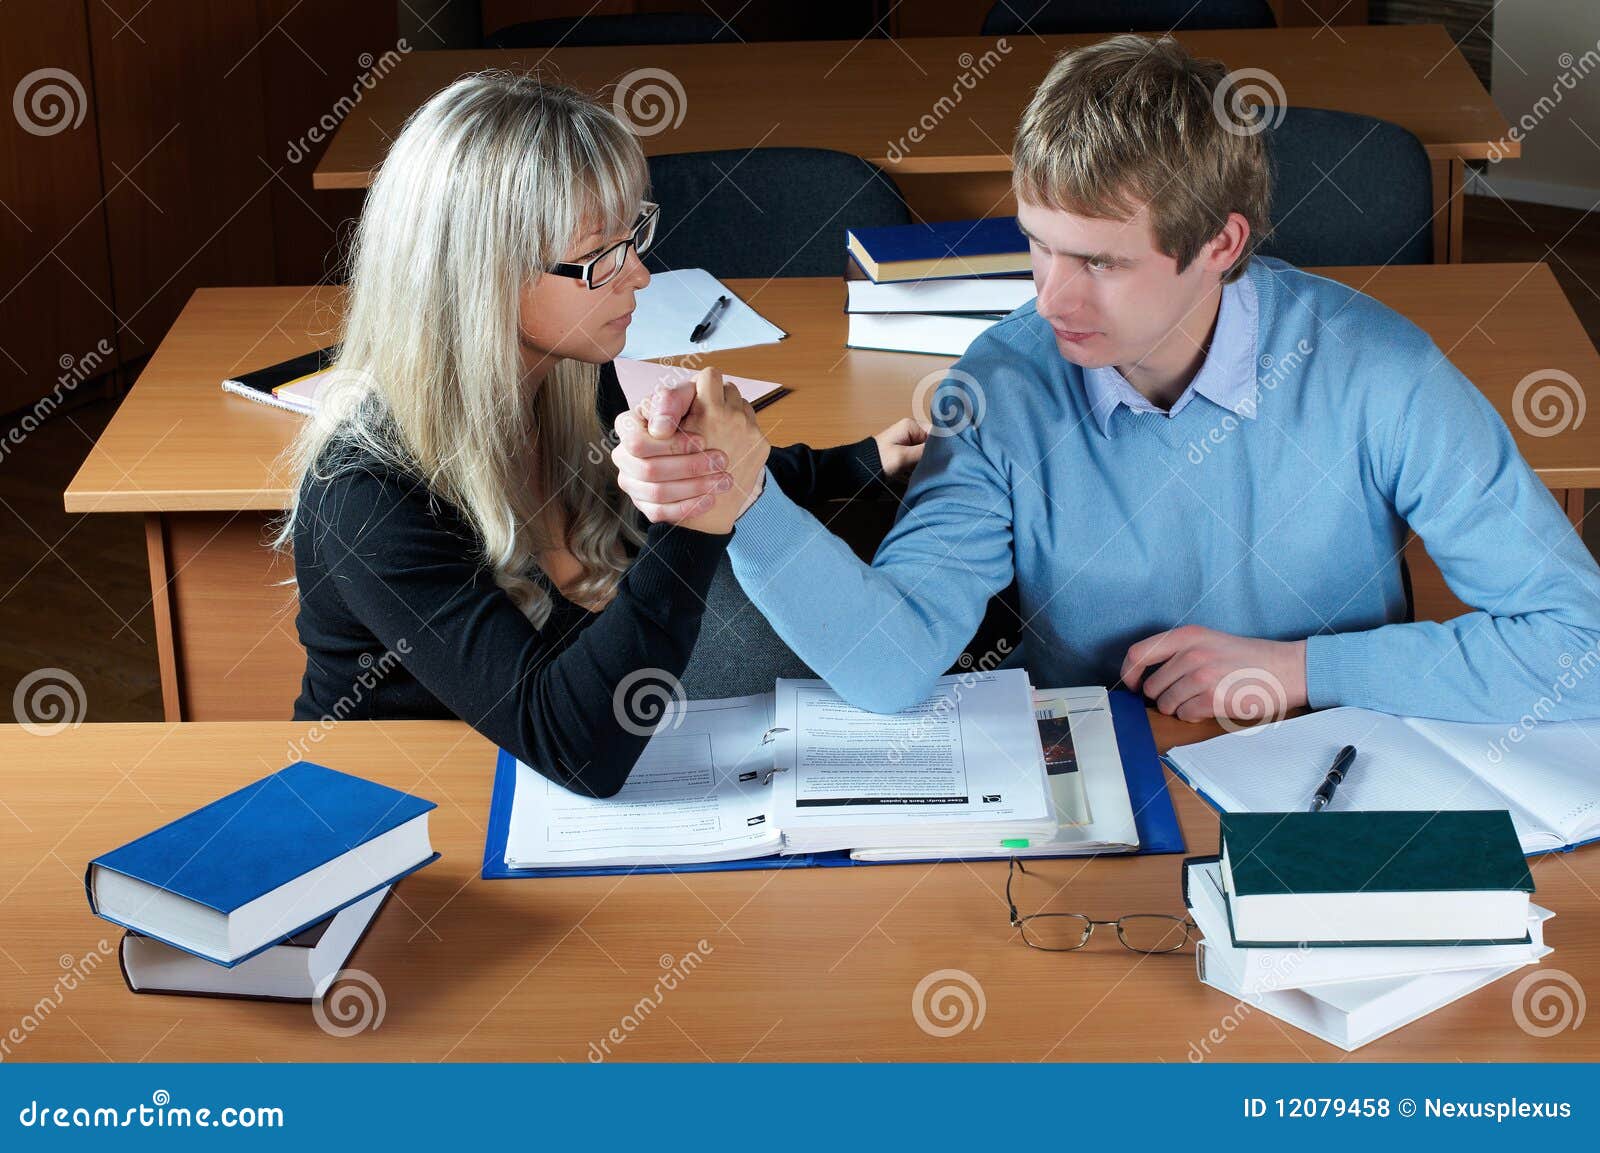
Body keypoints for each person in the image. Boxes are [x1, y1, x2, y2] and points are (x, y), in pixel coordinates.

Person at [610, 35, 1600, 725]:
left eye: (1101, 262)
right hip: (1101, 792)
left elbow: (1581, 650)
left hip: (1326, 761)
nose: (1052, 298)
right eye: (1040, 249)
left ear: (1219, 244)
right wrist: (748, 502)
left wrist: (1302, 669)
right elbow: (892, 666)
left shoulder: (1383, 372)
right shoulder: (1001, 378)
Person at [275, 73, 924, 796]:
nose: (639, 275)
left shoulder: (567, 375)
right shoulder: (368, 496)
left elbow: (670, 478)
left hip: (528, 771)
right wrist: (697, 514)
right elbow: (577, 749)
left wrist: (857, 463)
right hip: (414, 805)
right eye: (601, 257)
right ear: (485, 278)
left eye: (632, 236)